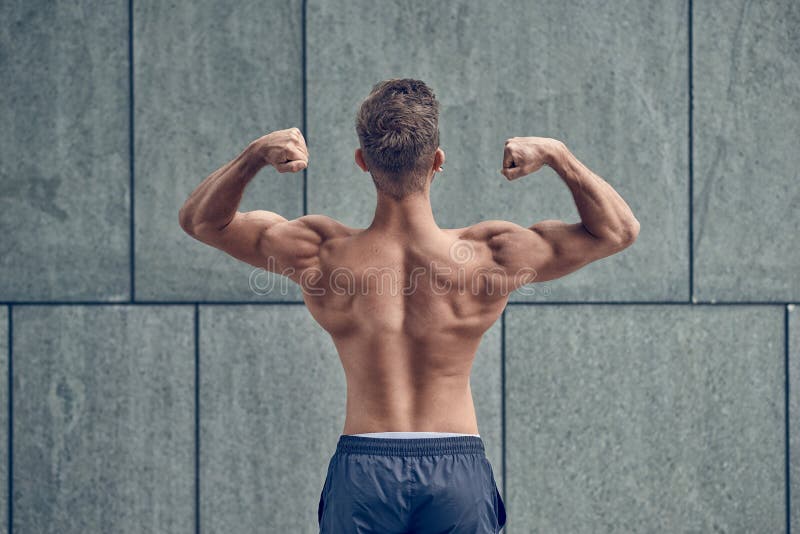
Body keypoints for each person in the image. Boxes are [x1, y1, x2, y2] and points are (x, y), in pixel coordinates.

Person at [178, 78, 639, 533]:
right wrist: (558, 155)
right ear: (438, 161)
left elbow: (202, 221)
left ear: (362, 161)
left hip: (363, 472)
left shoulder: (319, 252)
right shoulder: (491, 254)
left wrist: (256, 154)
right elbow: (618, 231)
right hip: (456, 472)